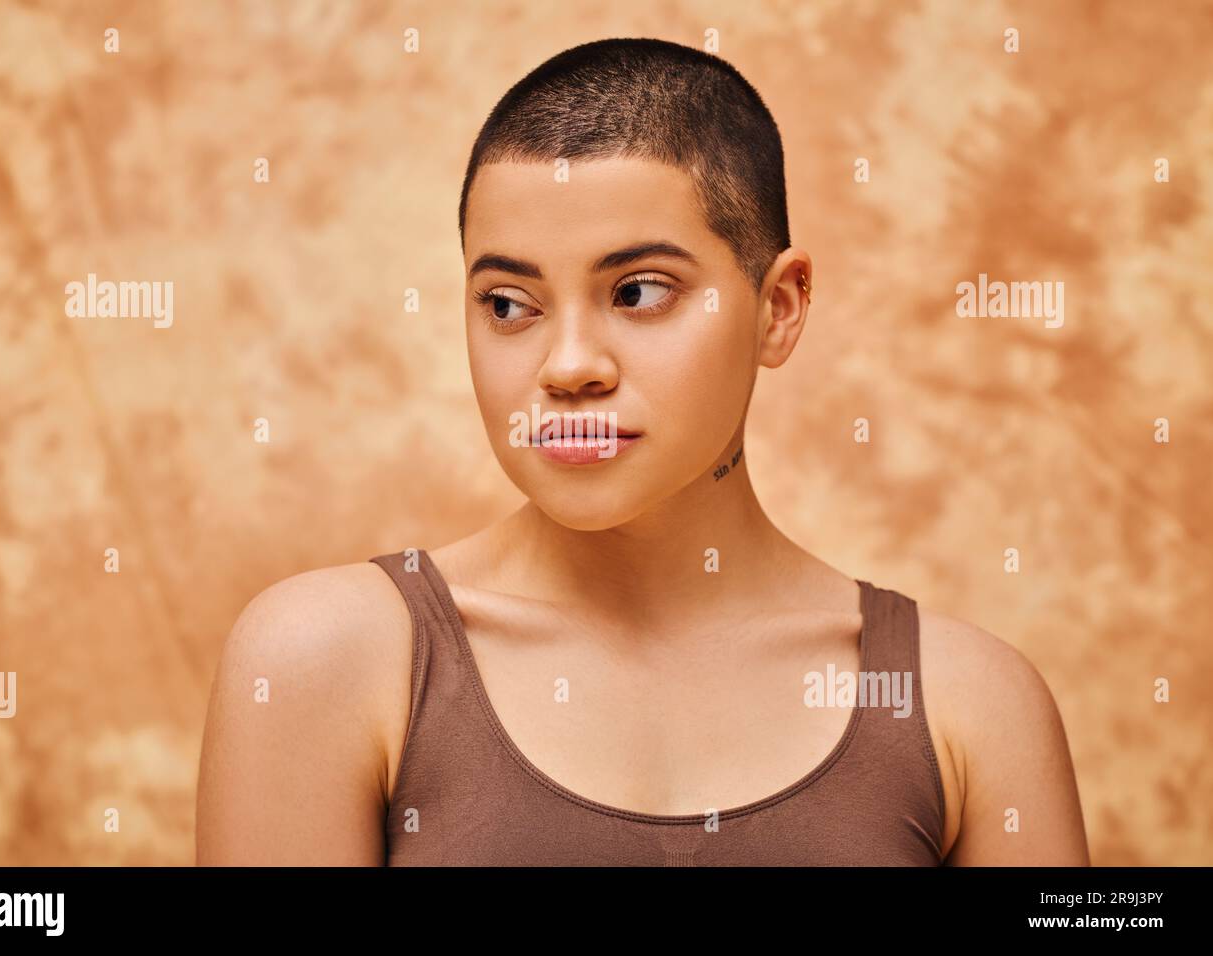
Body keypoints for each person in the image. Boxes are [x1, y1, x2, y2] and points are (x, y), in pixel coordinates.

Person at [196, 37, 1090, 866]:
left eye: (639, 291)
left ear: (778, 307)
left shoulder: (971, 706)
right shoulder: (330, 663)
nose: (569, 366)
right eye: (509, 303)